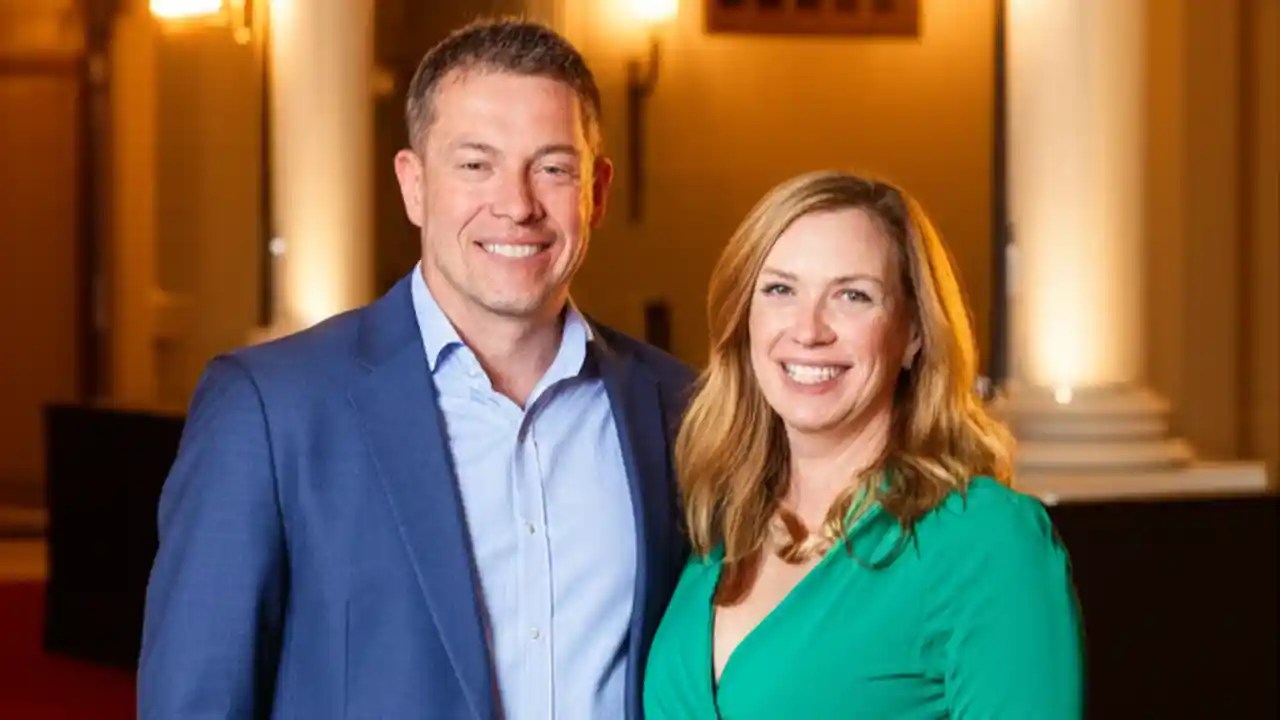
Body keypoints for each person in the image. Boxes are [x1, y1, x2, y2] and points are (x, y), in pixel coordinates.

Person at [139, 19, 693, 720]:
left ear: (598, 192)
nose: (517, 204)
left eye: (553, 167)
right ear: (414, 185)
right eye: (475, 164)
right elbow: (195, 702)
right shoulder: (271, 411)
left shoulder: (677, 409)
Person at [644, 172, 1083, 718]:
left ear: (914, 334)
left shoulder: (986, 539)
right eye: (780, 289)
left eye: (853, 296)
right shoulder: (722, 522)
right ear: (745, 317)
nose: (809, 329)